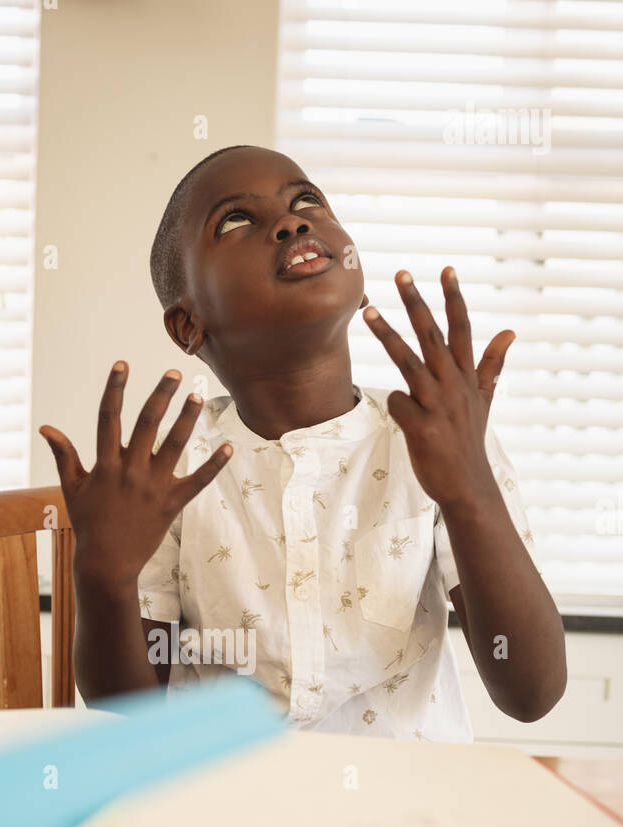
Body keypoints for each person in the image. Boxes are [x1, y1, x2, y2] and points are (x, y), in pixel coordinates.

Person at [40, 144, 566, 737]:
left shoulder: (441, 434)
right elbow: (124, 719)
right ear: (187, 324)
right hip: (225, 805)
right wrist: (103, 579)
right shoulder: (170, 473)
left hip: (407, 811)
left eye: (307, 201)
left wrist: (472, 492)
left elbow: (530, 692)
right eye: (236, 220)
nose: (292, 221)